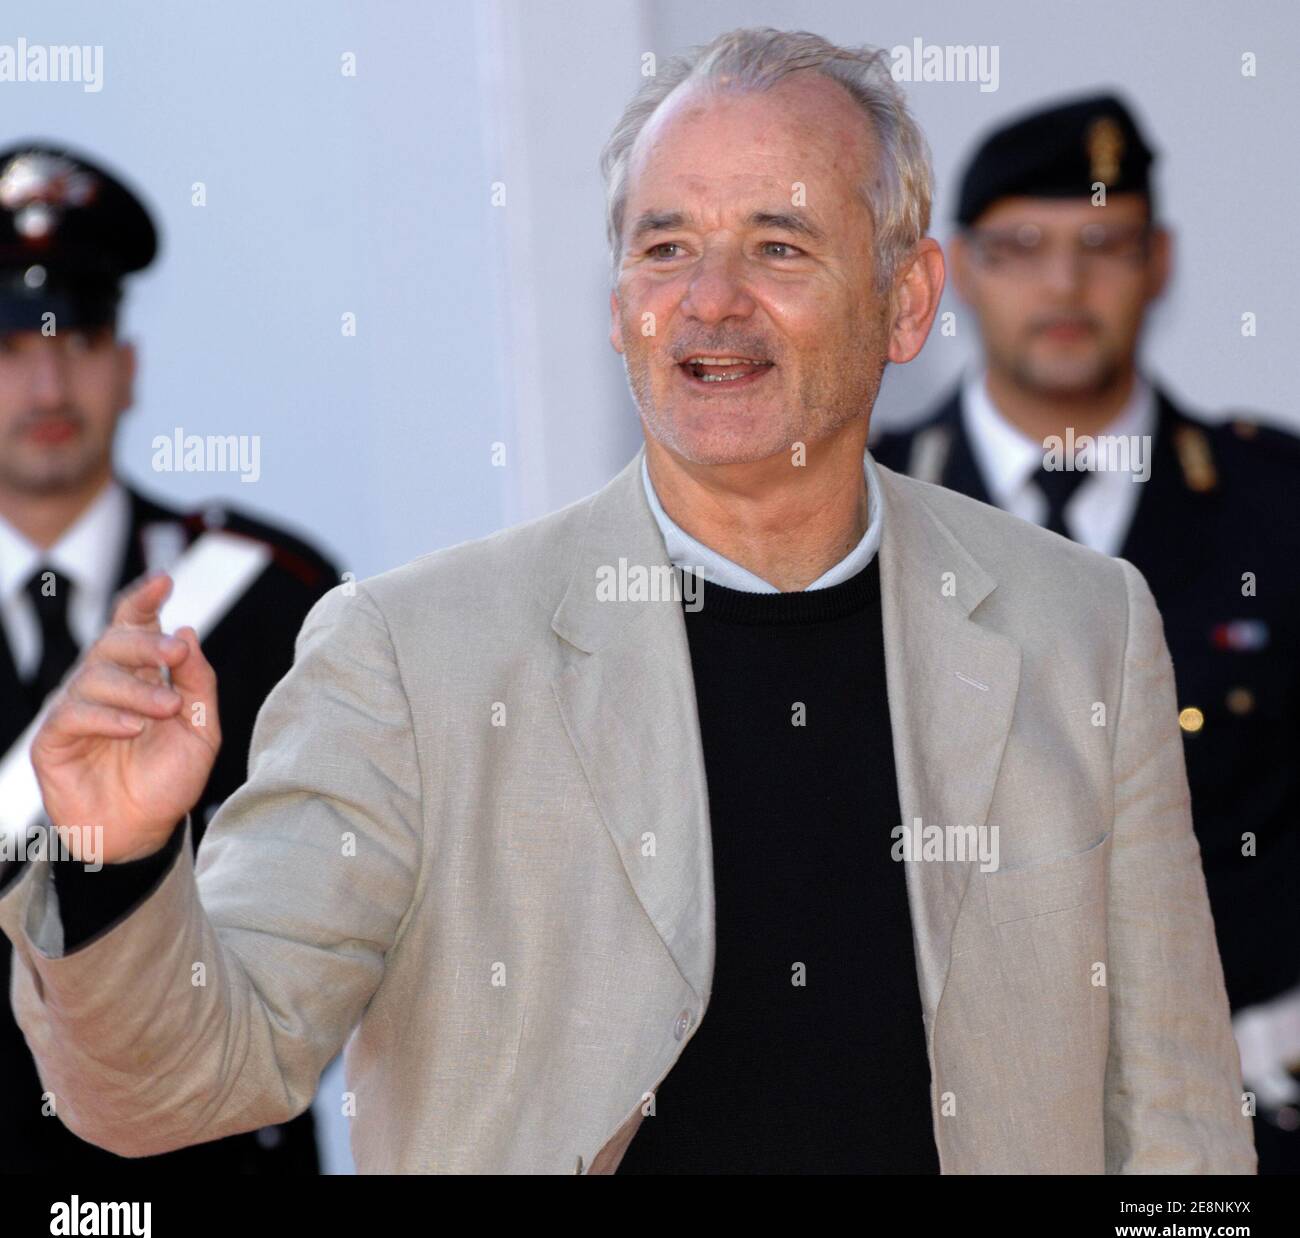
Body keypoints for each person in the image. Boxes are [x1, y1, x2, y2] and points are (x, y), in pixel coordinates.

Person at [0, 32, 1254, 1174]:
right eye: (665, 246)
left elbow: (1178, 1124)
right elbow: (181, 1083)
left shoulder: (1082, 628)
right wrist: (112, 860)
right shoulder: (412, 657)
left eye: (777, 242)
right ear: (617, 307)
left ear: (909, 300)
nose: (709, 300)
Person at [870, 92, 1300, 1172]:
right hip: (929, 1120)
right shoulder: (854, 510)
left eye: (1101, 245)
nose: (1062, 286)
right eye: (1020, 248)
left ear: (1158, 262)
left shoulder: (1275, 508)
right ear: (953, 270)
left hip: (1244, 1116)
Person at [0, 142, 336, 1174]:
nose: (50, 378)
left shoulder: (264, 593)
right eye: (9, 343)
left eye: (83, 335)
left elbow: (328, 926)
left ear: (128, 364)